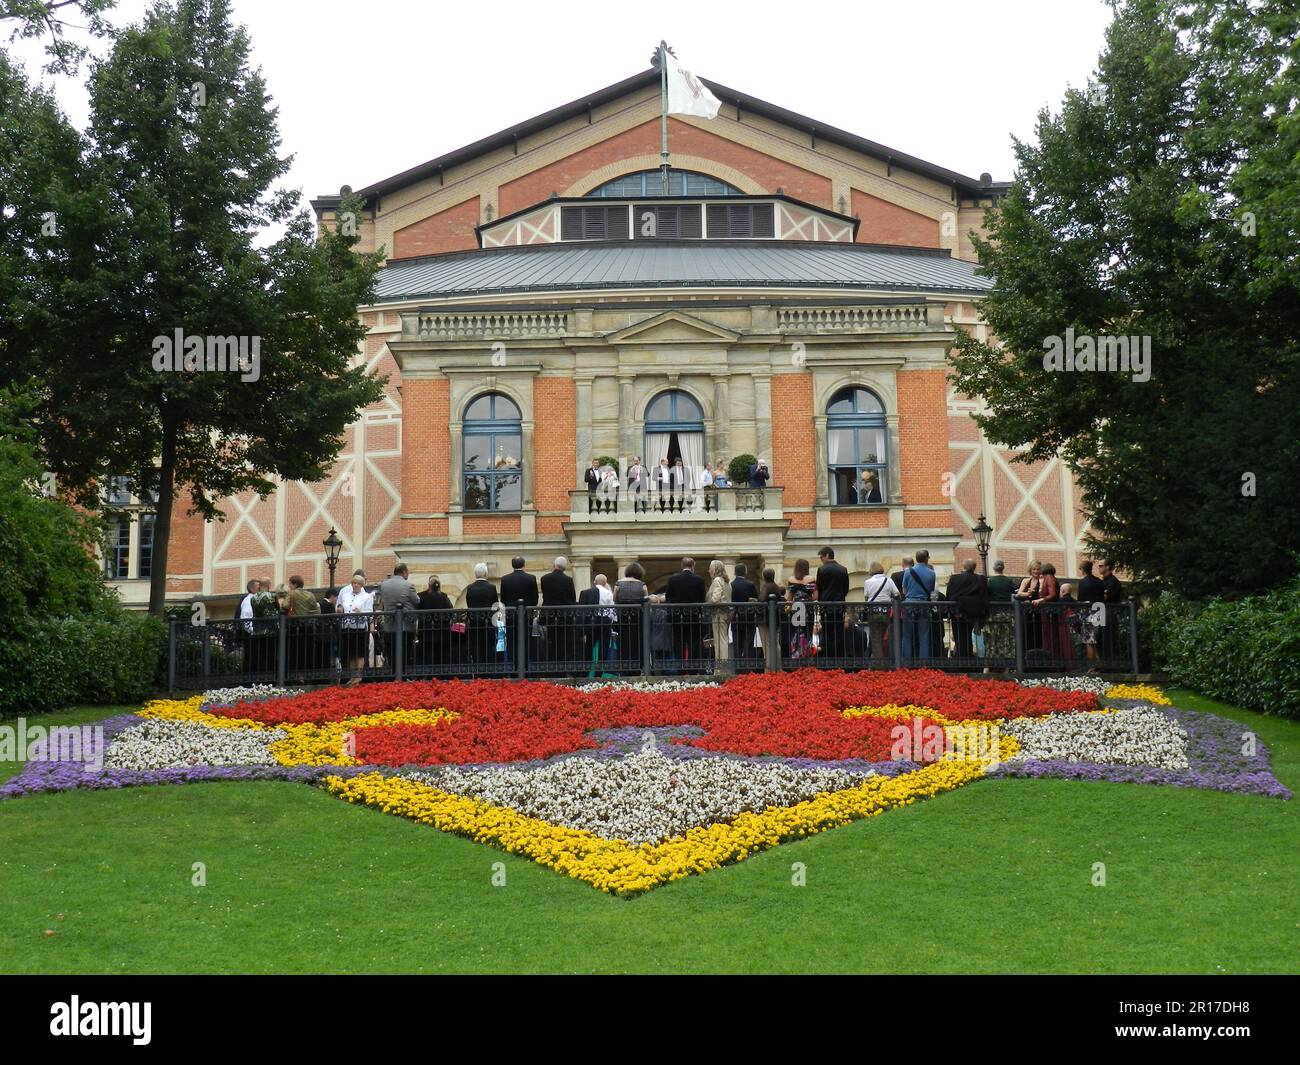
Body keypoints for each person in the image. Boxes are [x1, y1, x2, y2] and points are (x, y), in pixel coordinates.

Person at [666, 557, 707, 670]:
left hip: (677, 617)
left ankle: (680, 669)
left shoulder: (672, 579)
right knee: (693, 643)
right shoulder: (699, 580)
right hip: (694, 616)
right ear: (693, 566)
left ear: (682, 566)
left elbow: (668, 597)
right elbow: (702, 599)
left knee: (678, 643)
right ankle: (693, 668)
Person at [499, 555, 538, 671]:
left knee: (512, 642)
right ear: (523, 564)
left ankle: (513, 668)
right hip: (526, 616)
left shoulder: (505, 579)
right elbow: (534, 599)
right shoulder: (531, 578)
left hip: (511, 616)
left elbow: (503, 599)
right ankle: (525, 667)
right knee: (526, 641)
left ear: (512, 565)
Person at [379, 563, 420, 673]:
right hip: (405, 624)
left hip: (389, 624)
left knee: (392, 651)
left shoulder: (384, 585)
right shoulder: (408, 585)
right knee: (405, 652)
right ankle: (403, 674)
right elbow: (417, 601)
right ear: (404, 572)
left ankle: (394, 674)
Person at [540, 556, 577, 674]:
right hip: (565, 617)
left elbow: (545, 596)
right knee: (565, 643)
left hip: (549, 616)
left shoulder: (544, 579)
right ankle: (564, 669)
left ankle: (551, 669)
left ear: (554, 565)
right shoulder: (568, 580)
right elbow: (572, 598)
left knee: (550, 642)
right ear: (565, 567)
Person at [945, 559, 989, 660]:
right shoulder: (981, 579)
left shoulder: (955, 578)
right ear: (974, 567)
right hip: (973, 614)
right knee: (969, 637)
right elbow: (984, 596)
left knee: (959, 638)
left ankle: (962, 660)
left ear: (963, 566)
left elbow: (949, 595)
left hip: (958, 613)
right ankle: (969, 659)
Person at [337, 571, 374, 685]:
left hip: (359, 627)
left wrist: (360, 612)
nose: (355, 585)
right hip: (347, 626)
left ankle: (358, 676)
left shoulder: (367, 597)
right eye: (353, 583)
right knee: (351, 653)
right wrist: (340, 609)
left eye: (357, 583)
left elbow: (369, 613)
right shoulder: (345, 595)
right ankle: (353, 676)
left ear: (361, 585)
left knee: (359, 653)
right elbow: (340, 605)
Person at [815, 547, 850, 662]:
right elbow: (846, 589)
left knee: (826, 633)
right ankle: (839, 659)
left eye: (821, 557)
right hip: (839, 606)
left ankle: (827, 660)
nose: (821, 560)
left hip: (825, 607)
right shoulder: (843, 569)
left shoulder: (822, 570)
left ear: (827, 555)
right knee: (839, 633)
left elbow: (819, 588)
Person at [901, 549, 936, 661]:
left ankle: (906, 662)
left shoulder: (908, 572)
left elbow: (904, 591)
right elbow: (931, 590)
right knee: (924, 635)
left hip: (909, 603)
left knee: (907, 634)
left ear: (916, 559)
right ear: (926, 558)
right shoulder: (932, 573)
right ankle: (923, 664)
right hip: (924, 603)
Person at [614, 562, 648, 675]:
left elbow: (615, 598)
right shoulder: (642, 584)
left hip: (622, 614)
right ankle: (637, 666)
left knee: (623, 640)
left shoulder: (618, 583)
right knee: (637, 640)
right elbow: (646, 599)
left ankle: (623, 666)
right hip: (637, 615)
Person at [464, 562, 498, 675]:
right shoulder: (491, 588)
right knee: (488, 646)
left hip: (474, 622)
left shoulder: (470, 588)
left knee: (476, 646)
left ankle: (478, 671)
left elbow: (469, 604)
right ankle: (488, 671)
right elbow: (495, 605)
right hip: (488, 623)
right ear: (485, 573)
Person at [283, 575, 320, 674]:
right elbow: (316, 609)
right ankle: (307, 673)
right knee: (308, 651)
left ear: (294, 584)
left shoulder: (291, 593)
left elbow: (285, 606)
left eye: (290, 583)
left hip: (294, 627)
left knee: (294, 651)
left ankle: (294, 674)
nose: (289, 585)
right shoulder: (310, 594)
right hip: (309, 626)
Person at [863, 561, 899, 661]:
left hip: (873, 612)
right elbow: (897, 594)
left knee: (875, 638)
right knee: (882, 636)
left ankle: (879, 664)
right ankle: (881, 660)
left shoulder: (868, 582)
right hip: (886, 611)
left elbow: (866, 597)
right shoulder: (889, 581)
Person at [983, 560, 1016, 665]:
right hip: (1007, 614)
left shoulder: (990, 581)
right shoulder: (1009, 581)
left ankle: (989, 666)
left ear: (994, 568)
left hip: (993, 614)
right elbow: (1014, 592)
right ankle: (1006, 666)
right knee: (1007, 640)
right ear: (1003, 568)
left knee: (992, 640)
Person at [418, 576, 453, 673]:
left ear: (429, 586)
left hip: (426, 633)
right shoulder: (444, 597)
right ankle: (442, 674)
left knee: (429, 657)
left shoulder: (422, 598)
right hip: (442, 633)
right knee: (441, 656)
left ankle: (429, 674)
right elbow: (450, 612)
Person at [786, 559, 818, 661]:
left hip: (796, 609)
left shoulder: (791, 579)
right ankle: (806, 656)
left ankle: (796, 655)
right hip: (808, 608)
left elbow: (789, 598)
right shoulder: (811, 579)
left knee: (795, 632)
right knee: (807, 632)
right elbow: (815, 596)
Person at [730, 563, 759, 670]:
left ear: (734, 572)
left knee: (737, 644)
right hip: (748, 618)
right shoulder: (750, 584)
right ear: (745, 572)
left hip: (736, 618)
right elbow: (756, 600)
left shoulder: (731, 585)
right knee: (748, 643)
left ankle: (737, 667)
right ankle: (748, 667)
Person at [706, 560, 733, 674]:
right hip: (725, 614)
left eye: (710, 568)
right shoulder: (727, 581)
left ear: (716, 569)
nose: (709, 570)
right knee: (723, 640)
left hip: (718, 614)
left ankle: (720, 669)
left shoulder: (717, 580)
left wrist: (708, 601)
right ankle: (723, 667)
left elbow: (715, 599)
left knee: (719, 641)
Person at [1076, 560, 1106, 664]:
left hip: (1087, 612)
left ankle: (1092, 666)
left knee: (1089, 641)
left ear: (1083, 570)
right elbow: (1102, 597)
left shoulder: (1083, 582)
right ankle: (1099, 665)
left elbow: (1080, 599)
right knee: (1097, 640)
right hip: (1099, 610)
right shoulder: (1099, 581)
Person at [1097, 559, 1125, 663]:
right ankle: (1103, 664)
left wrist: (1100, 595)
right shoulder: (1102, 581)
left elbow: (1104, 597)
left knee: (1108, 639)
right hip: (1101, 613)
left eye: (1101, 565)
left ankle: (1110, 664)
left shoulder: (1113, 581)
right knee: (1100, 639)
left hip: (1110, 614)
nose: (1098, 567)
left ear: (1108, 567)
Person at [1016, 560, 1044, 652]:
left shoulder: (1043, 580)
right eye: (1034, 569)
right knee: (1027, 634)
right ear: (1030, 570)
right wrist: (1028, 594)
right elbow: (1019, 593)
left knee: (1038, 634)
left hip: (1039, 613)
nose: (1036, 571)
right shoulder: (1026, 580)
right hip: (1027, 612)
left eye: (1038, 569)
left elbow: (1044, 595)